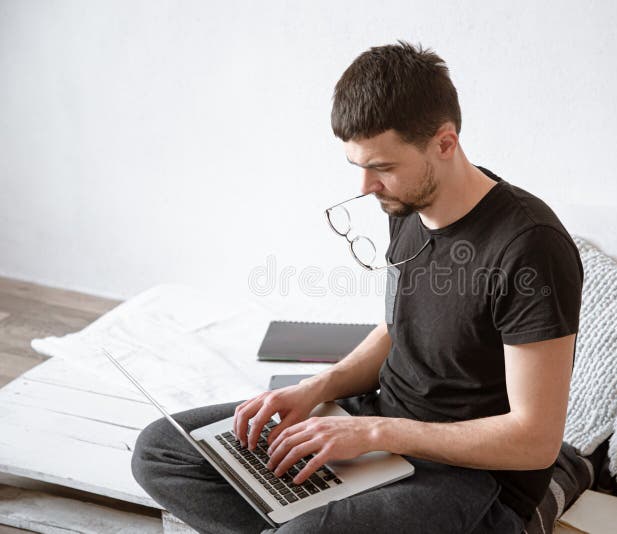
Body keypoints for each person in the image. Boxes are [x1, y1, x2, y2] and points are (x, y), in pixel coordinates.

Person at [131, 40, 583, 534]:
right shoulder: (406, 206)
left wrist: (374, 433)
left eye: (383, 167)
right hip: (378, 428)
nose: (367, 187)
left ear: (444, 143)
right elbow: (396, 327)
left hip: (468, 478)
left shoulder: (531, 247)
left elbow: (535, 441)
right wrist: (315, 389)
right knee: (162, 451)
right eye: (359, 166)